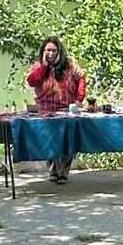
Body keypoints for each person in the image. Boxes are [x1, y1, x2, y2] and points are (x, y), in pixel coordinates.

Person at [27, 39, 90, 182]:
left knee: (66, 141)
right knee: (49, 140)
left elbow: (81, 78)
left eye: (53, 50)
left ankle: (63, 173)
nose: (50, 53)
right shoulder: (38, 66)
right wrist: (43, 67)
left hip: (66, 109)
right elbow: (32, 81)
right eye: (47, 50)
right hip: (45, 110)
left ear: (59, 51)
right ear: (43, 52)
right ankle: (53, 171)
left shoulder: (69, 65)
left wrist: (79, 99)